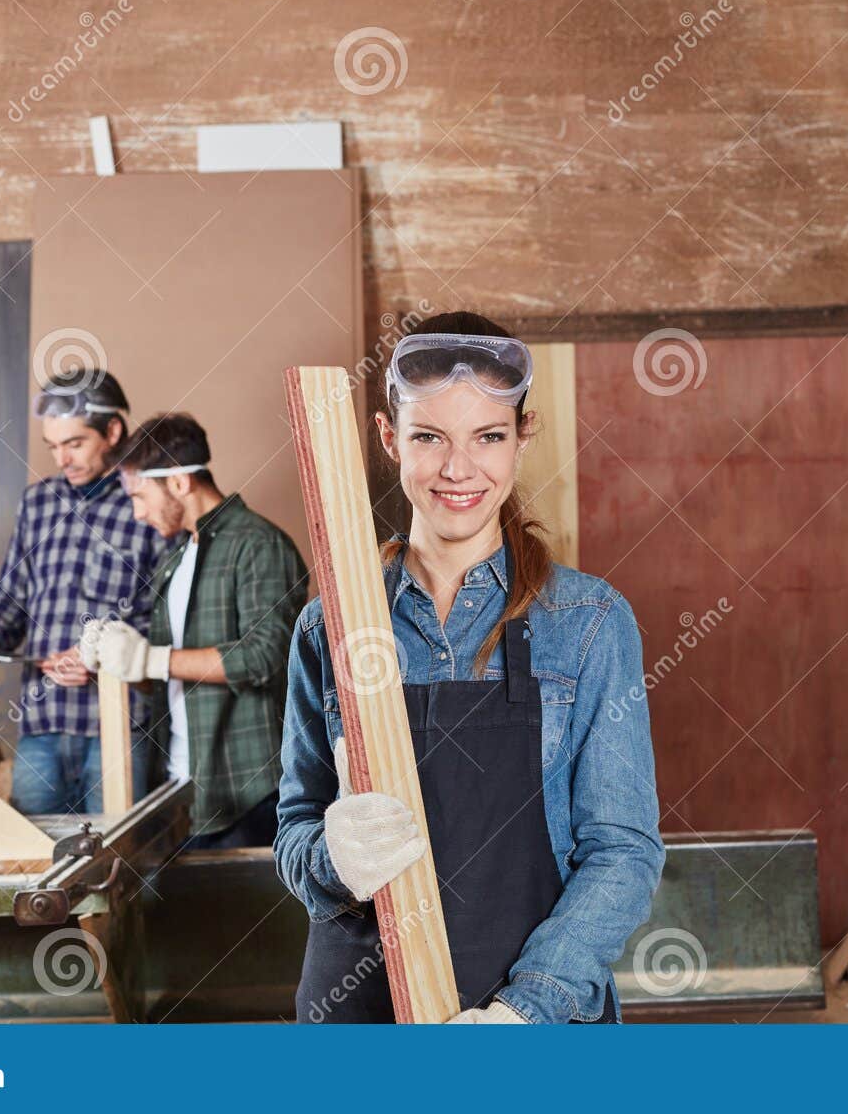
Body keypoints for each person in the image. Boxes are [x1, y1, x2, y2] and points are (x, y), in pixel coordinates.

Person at [275, 312, 664, 1024]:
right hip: (359, 1012)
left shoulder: (588, 623)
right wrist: (334, 858)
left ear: (522, 437)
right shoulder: (329, 627)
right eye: (429, 437)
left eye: (488, 435)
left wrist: (524, 1011)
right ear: (389, 439)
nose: (459, 469)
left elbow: (623, 852)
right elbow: (295, 827)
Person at [0, 370, 164, 815]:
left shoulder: (147, 501)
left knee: (122, 865)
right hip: (41, 724)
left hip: (119, 724)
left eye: (75, 443)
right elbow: (13, 599)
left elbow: (164, 614)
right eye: (54, 446)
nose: (62, 458)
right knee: (38, 862)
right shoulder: (38, 502)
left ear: (113, 431)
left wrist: (95, 653)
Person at [100, 412, 308, 848]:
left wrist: (152, 658)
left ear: (178, 482)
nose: (137, 513)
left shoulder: (260, 544)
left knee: (241, 917)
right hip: (182, 785)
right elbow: (171, 674)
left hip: (247, 791)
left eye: (140, 496)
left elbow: (266, 656)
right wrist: (115, 658)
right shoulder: (177, 558)